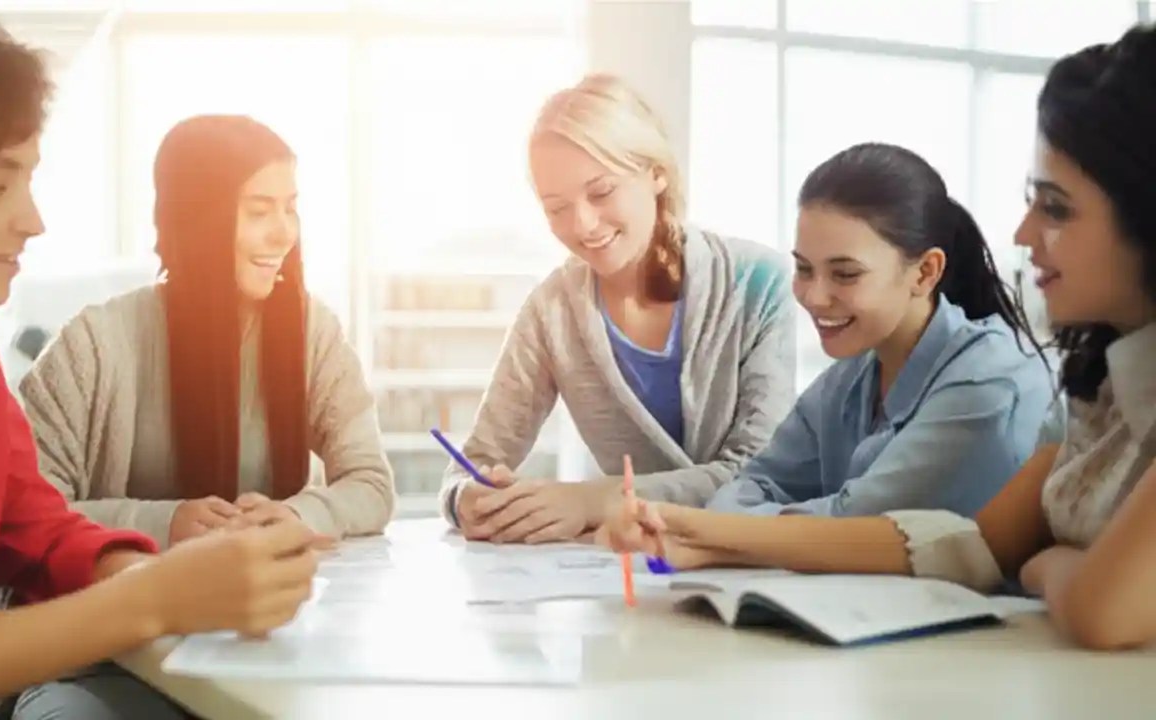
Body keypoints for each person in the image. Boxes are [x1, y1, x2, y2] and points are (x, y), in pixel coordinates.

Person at [600, 23, 1156, 651]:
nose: (1024, 234)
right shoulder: (1101, 390)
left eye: (1055, 207)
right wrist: (695, 538)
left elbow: (1099, 611)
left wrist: (1047, 565)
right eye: (805, 268)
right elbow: (964, 543)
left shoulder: (991, 379)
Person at [0, 5, 321, 719]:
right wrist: (148, 599)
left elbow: (37, 529)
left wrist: (157, 573)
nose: (33, 219)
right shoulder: (95, 342)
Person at [441, 73, 796, 544]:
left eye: (602, 191)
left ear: (656, 173)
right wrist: (469, 498)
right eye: (556, 208)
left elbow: (760, 476)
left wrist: (597, 500)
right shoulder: (551, 311)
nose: (583, 225)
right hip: (625, 569)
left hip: (751, 559)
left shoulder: (759, 282)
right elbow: (471, 465)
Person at [19, 114, 394, 549]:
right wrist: (161, 524)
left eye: (290, 207)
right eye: (258, 211)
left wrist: (298, 514)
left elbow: (371, 484)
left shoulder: (313, 331)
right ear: (197, 221)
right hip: (129, 609)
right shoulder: (92, 346)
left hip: (276, 606)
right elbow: (25, 513)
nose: (284, 233)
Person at [700, 142, 1054, 518]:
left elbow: (859, 523)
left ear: (925, 272)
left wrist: (718, 528)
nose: (815, 297)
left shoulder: (990, 381)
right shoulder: (845, 383)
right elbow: (755, 484)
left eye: (846, 274)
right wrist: (719, 523)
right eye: (804, 269)